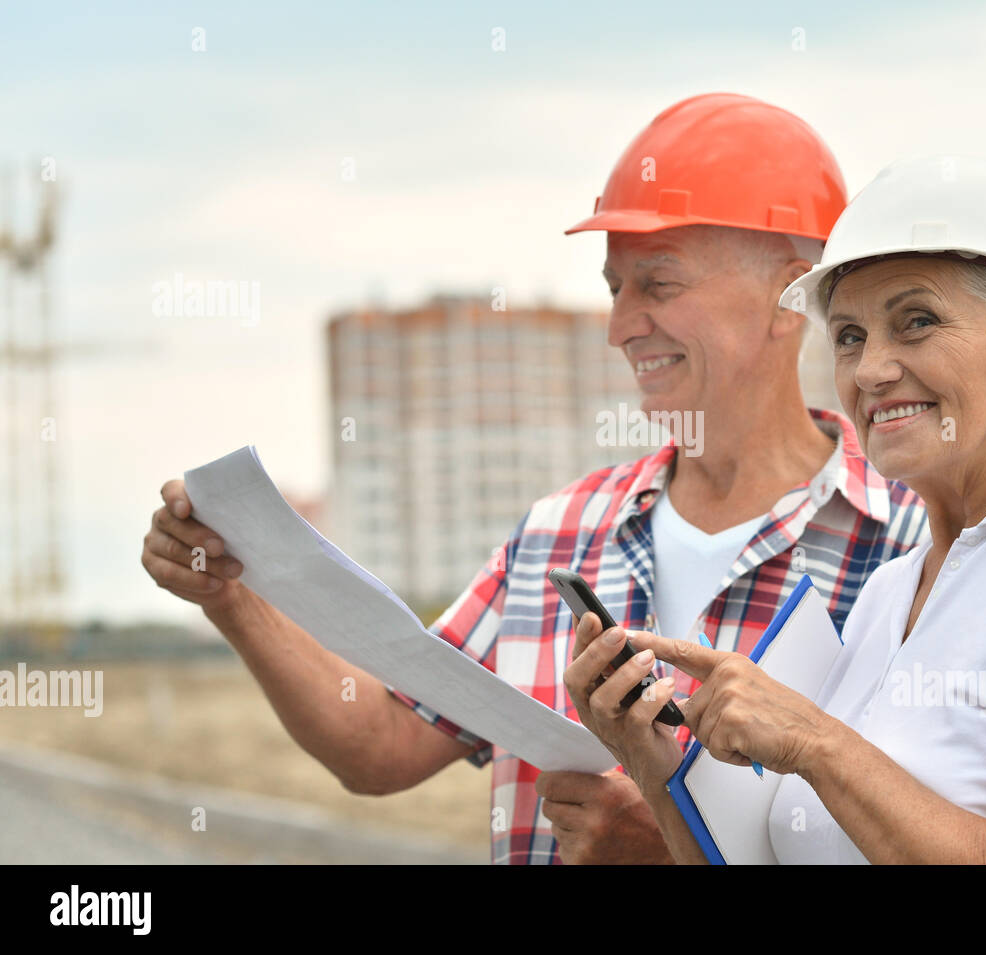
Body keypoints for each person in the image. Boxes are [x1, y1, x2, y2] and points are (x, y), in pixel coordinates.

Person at [139, 93, 928, 865]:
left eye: (658, 283)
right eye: (615, 288)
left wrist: (673, 849)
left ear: (789, 298)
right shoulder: (561, 530)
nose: (620, 328)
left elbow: (936, 841)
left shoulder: (911, 543)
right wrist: (231, 596)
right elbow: (378, 746)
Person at [567, 155, 986, 864]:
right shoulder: (892, 591)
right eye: (850, 336)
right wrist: (658, 768)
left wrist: (811, 739)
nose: (872, 368)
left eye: (916, 322)